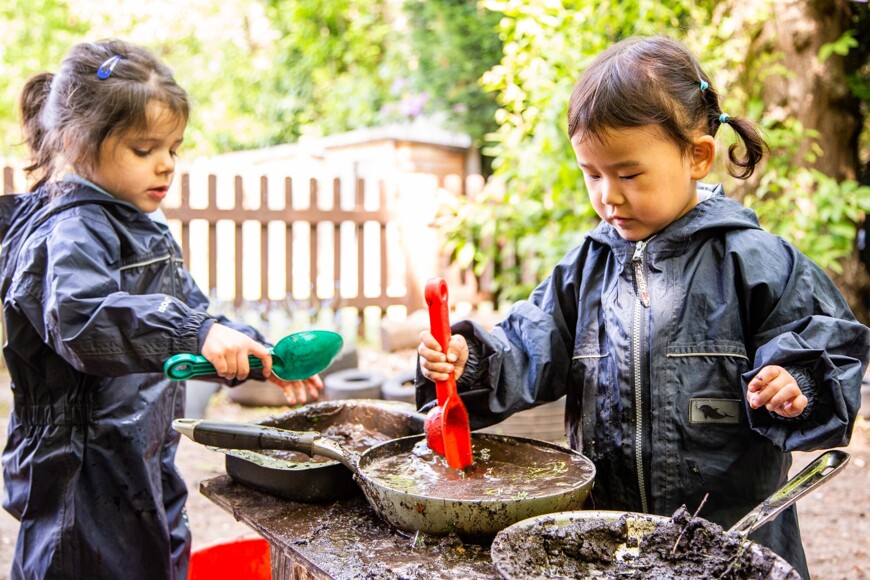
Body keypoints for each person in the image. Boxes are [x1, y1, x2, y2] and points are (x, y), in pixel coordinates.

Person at [417, 35, 870, 578]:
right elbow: (526, 345)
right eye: (593, 174)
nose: (608, 195)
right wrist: (473, 359)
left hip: (733, 543)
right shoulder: (586, 269)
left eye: (628, 174)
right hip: (608, 542)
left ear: (697, 156)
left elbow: (828, 344)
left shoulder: (754, 261)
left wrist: (800, 383)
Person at [0, 39, 323, 579]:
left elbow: (192, 312)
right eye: (145, 149)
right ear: (80, 142)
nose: (167, 164)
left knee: (159, 558)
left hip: (141, 453)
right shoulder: (70, 229)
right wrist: (194, 331)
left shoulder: (136, 223)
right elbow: (84, 319)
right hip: (83, 477)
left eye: (174, 147)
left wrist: (248, 345)